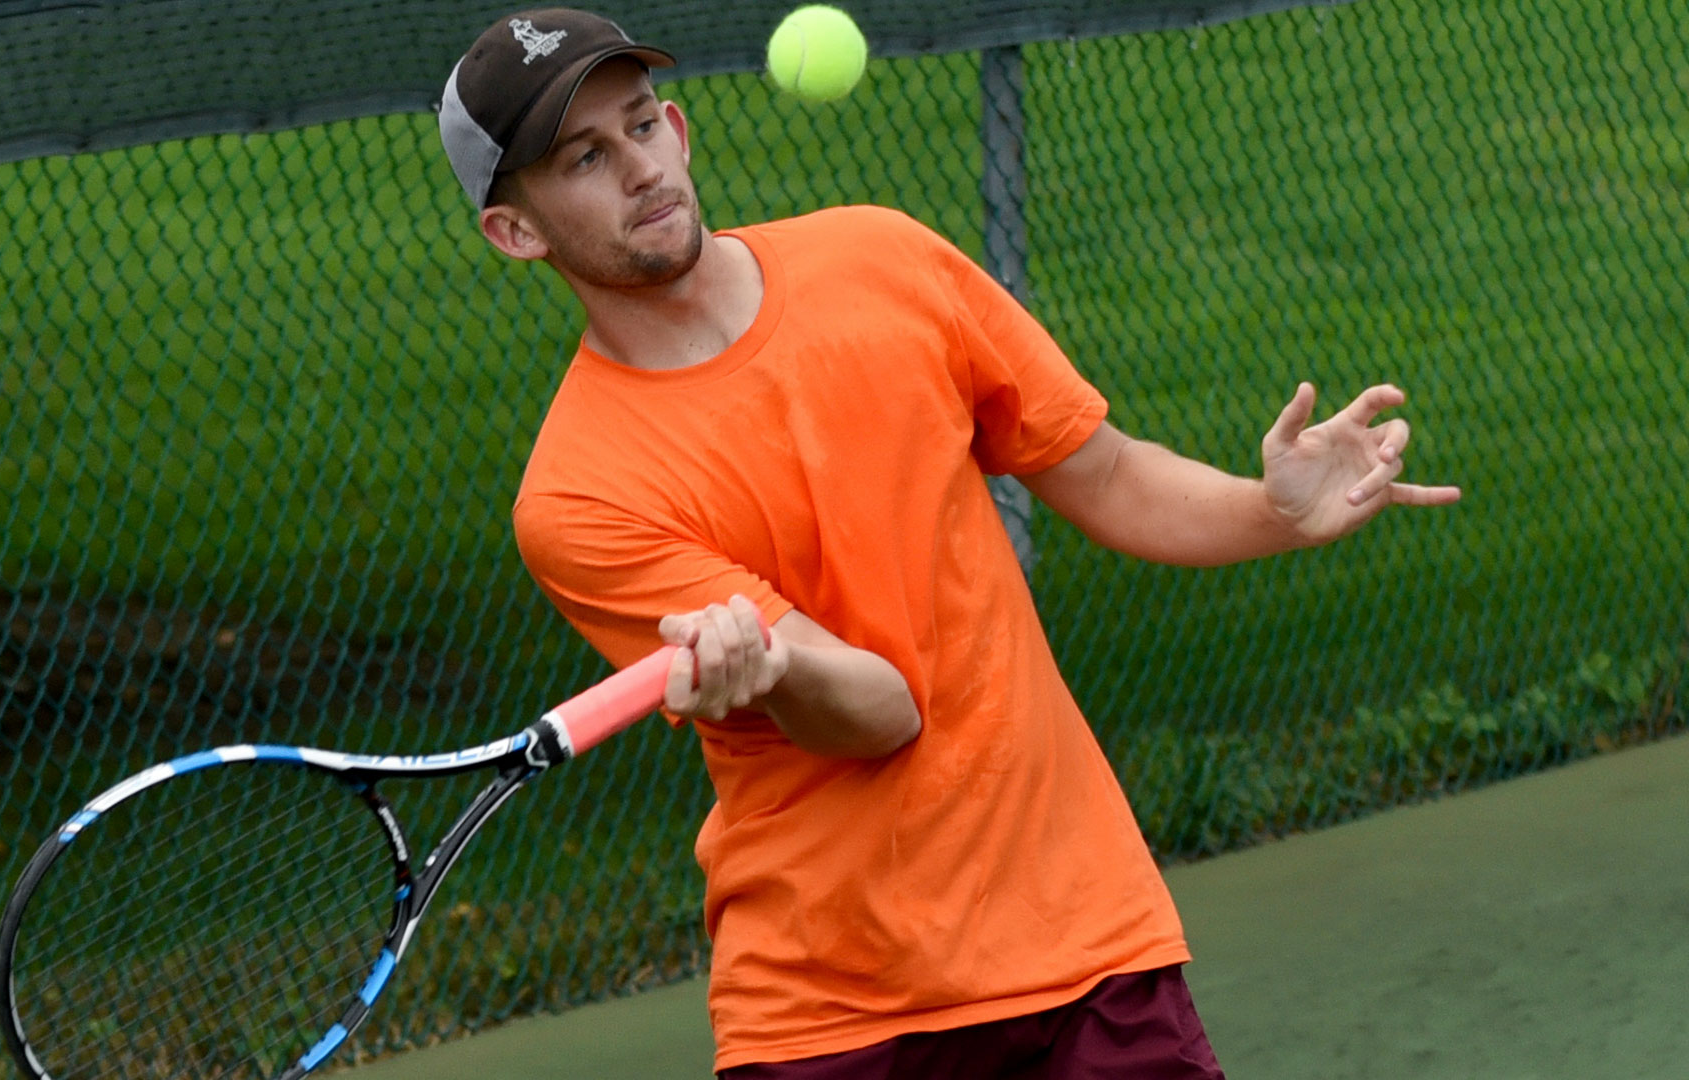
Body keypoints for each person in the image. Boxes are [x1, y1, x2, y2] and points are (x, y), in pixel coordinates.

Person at [439, 9, 1460, 1078]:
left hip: (1085, 946)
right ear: (518, 232)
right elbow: (881, 714)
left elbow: (1103, 473)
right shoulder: (581, 496)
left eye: (643, 125)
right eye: (585, 158)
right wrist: (776, 665)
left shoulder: (884, 260)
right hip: (834, 1014)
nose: (640, 169)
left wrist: (1271, 510)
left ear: (682, 131)